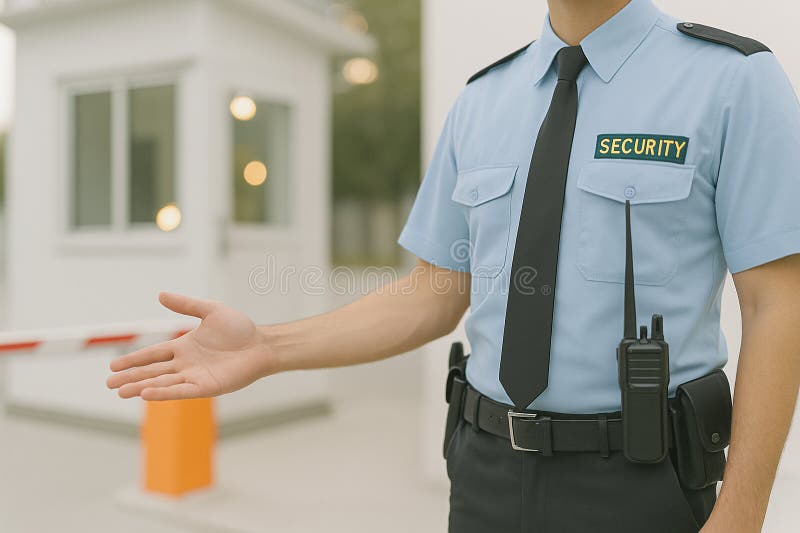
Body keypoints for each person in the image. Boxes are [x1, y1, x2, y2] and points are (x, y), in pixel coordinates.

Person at [107, 0, 800, 531]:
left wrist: (742, 512)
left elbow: (776, 304)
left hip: (643, 483)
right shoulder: (483, 101)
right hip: (484, 476)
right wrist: (267, 345)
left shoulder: (732, 82)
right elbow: (434, 292)